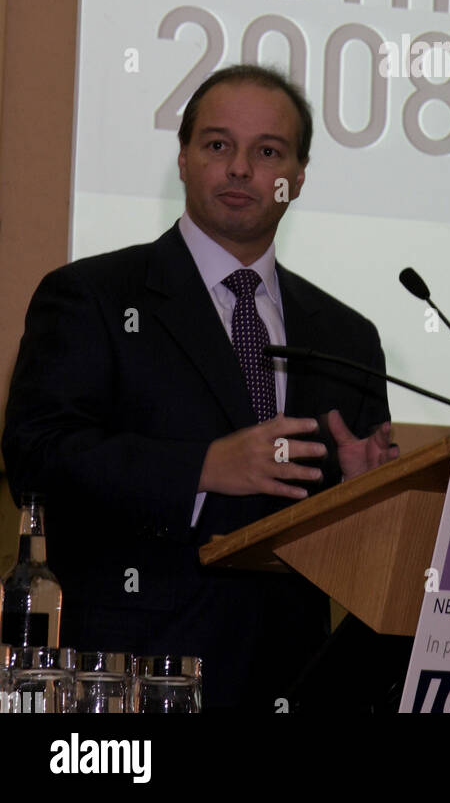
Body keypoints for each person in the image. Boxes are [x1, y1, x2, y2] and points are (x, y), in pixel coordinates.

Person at [2, 64, 398, 710]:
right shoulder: (92, 297)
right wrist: (201, 468)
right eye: (218, 145)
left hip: (295, 680)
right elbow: (36, 460)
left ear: (295, 179)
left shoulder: (347, 337)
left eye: (267, 151)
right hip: (135, 676)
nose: (241, 168)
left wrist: (364, 500)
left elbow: (355, 558)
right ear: (183, 160)